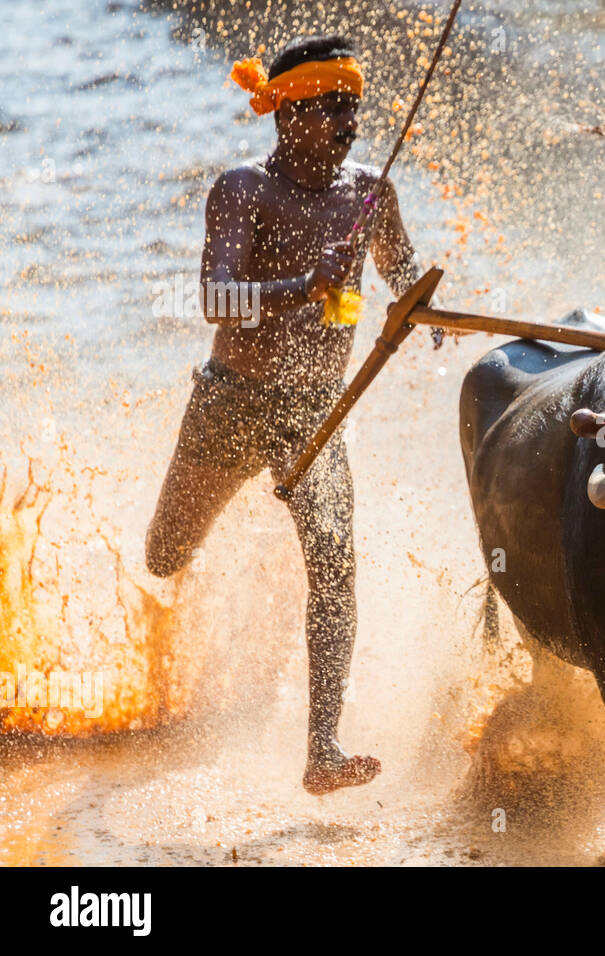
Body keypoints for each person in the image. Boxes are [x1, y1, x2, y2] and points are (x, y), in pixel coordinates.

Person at [146, 34, 437, 795]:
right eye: (333, 108)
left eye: (354, 107)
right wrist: (304, 284)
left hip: (317, 413)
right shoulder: (243, 189)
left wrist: (426, 309)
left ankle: (324, 749)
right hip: (232, 403)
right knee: (164, 555)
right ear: (288, 116)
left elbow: (403, 280)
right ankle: (158, 671)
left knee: (335, 571)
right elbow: (216, 300)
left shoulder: (372, 190)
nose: (350, 123)